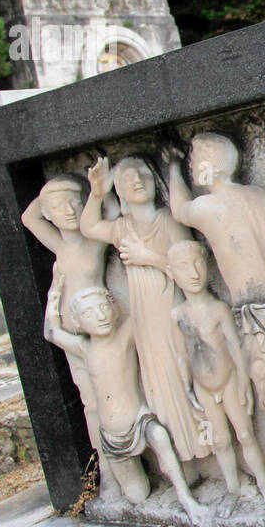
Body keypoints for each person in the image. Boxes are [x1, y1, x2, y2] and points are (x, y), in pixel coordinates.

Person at [166, 133, 265, 457]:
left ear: (209, 165)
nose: (192, 166)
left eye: (194, 160)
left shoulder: (208, 206)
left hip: (261, 316)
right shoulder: (259, 196)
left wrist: (173, 166)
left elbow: (179, 209)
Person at [43, 276, 205, 525]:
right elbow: (52, 333)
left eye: (104, 307)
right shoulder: (85, 348)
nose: (101, 316)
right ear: (77, 321)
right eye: (90, 312)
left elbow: (144, 310)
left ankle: (185, 497)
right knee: (138, 495)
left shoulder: (123, 338)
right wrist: (53, 297)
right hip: (112, 436)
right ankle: (124, 479)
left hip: (139, 420)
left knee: (160, 436)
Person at [80, 155, 206, 462]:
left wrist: (146, 255)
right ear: (119, 192)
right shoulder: (122, 228)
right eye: (128, 178)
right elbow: (89, 227)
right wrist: (96, 193)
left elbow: (188, 267)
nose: (138, 180)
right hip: (145, 318)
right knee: (159, 381)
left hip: (172, 309)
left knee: (186, 374)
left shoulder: (167, 221)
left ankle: (205, 444)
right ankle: (183, 455)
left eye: (144, 174)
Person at [21, 174, 123, 491]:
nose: (67, 210)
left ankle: (125, 459)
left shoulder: (91, 242)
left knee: (112, 399)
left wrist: (94, 191)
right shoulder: (58, 245)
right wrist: (53, 193)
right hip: (71, 334)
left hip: (100, 331)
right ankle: (105, 466)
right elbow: (29, 217)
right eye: (57, 207)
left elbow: (114, 215)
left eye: (73, 203)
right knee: (89, 404)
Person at [168, 242, 265, 514]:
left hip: (228, 381)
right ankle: (233, 489)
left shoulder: (218, 309)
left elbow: (234, 346)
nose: (193, 273)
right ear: (172, 273)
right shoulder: (178, 315)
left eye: (198, 264)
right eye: (184, 267)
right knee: (220, 440)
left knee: (245, 434)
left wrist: (244, 383)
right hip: (203, 387)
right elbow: (182, 355)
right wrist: (188, 390)